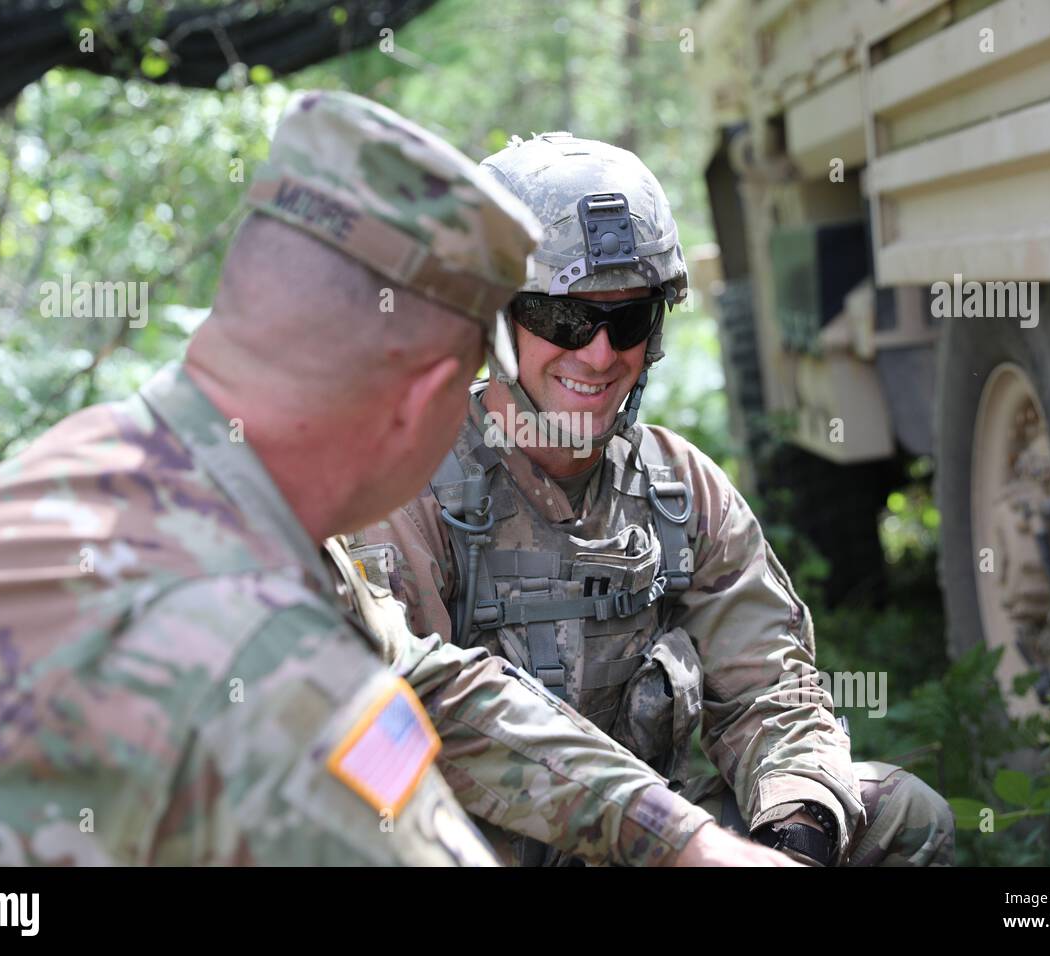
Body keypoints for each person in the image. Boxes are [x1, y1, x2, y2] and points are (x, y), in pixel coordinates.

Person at [0, 98, 786, 867]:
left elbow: (426, 681)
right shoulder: (271, 668)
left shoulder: (130, 466)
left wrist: (678, 837)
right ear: (429, 397)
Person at [348, 132, 956, 866]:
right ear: (492, 322)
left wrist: (793, 834)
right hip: (477, 848)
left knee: (901, 816)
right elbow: (392, 736)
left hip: (660, 845)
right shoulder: (410, 491)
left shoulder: (678, 486)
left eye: (627, 319)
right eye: (561, 319)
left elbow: (769, 688)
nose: (599, 354)